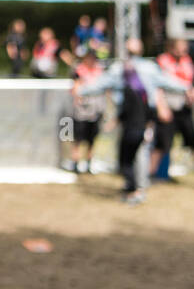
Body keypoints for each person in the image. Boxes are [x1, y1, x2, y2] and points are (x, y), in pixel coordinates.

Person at [77, 38, 181, 204]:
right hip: (142, 120)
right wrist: (188, 87)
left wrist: (81, 90)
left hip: (132, 120)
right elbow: (170, 83)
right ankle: (135, 186)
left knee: (132, 155)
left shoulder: (120, 69)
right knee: (137, 153)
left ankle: (137, 188)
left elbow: (99, 85)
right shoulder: (147, 68)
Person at [152, 38, 194, 181]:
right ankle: (149, 175)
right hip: (168, 108)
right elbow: (156, 87)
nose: (181, 53)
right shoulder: (161, 62)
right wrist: (161, 107)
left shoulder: (189, 62)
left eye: (184, 50)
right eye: (179, 49)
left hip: (185, 109)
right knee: (161, 145)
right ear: (171, 48)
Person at [68, 52, 106, 175]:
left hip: (96, 109)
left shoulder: (100, 71)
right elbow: (75, 86)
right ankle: (76, 162)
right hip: (82, 109)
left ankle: (89, 161)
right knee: (77, 137)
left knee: (92, 138)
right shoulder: (78, 70)